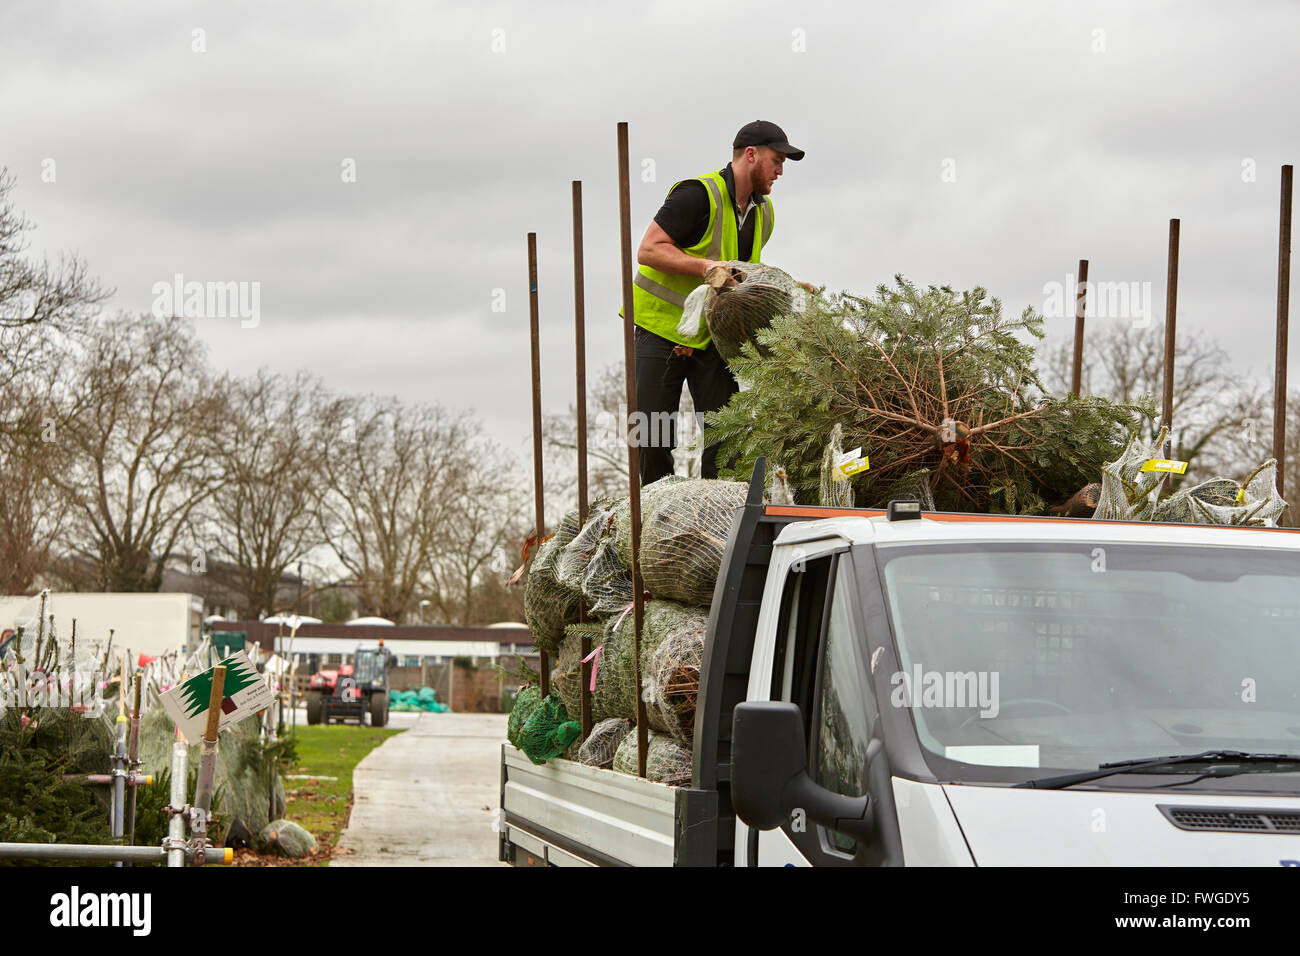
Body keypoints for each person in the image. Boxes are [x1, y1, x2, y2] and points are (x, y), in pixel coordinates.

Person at [628, 120, 808, 486]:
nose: (780, 170)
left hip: (714, 338)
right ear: (751, 155)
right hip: (661, 331)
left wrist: (785, 287)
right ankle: (655, 520)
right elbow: (648, 250)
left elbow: (744, 273)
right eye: (776, 160)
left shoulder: (763, 213)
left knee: (727, 438)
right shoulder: (697, 195)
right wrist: (705, 266)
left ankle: (721, 524)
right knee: (652, 437)